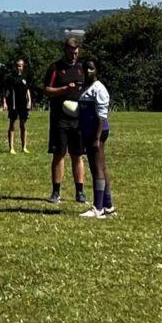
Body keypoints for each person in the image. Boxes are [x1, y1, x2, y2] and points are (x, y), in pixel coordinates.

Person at [45, 45, 89, 206]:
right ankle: (56, 192)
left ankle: (80, 191)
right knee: (59, 154)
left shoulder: (81, 69)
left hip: (78, 119)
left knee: (78, 155)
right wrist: (64, 89)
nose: (73, 56)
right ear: (65, 51)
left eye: (76, 53)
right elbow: (47, 90)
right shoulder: (55, 68)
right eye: (71, 53)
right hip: (59, 118)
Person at [77, 63, 116, 218]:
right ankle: (108, 204)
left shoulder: (99, 89)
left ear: (97, 70)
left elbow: (101, 116)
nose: (88, 71)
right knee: (101, 167)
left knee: (97, 168)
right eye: (86, 68)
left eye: (91, 68)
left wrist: (96, 137)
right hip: (89, 131)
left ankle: (98, 207)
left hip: (97, 132)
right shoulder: (86, 87)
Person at [4, 57, 35, 154]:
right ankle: (11, 148)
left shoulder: (25, 77)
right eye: (17, 66)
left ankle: (24, 147)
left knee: (23, 125)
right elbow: (6, 91)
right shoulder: (11, 78)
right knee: (12, 125)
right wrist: (4, 102)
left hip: (23, 104)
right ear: (15, 66)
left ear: (23, 66)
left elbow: (27, 90)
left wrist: (29, 101)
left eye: (21, 66)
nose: (19, 68)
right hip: (14, 104)